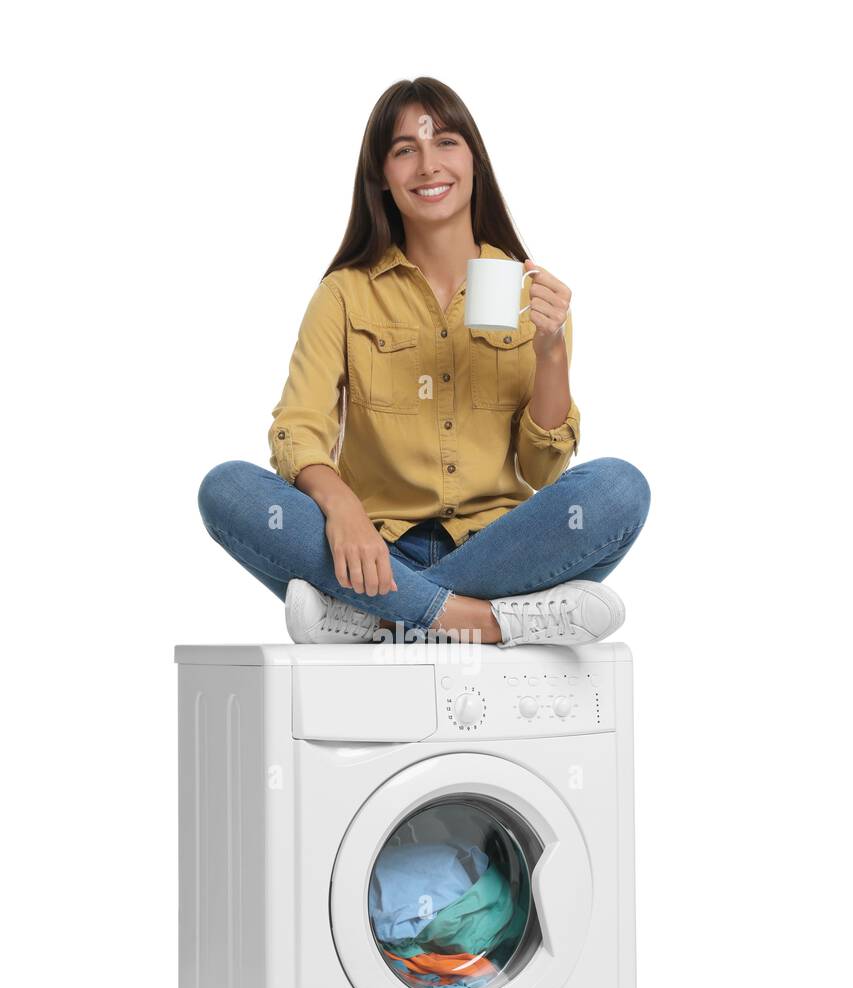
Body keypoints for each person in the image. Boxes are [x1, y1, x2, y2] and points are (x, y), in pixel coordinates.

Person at [198, 77, 651, 647]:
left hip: (501, 546)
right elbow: (298, 428)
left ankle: (378, 620)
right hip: (370, 547)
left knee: (618, 489)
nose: (428, 166)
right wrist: (341, 509)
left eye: (446, 143)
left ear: (474, 160)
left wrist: (551, 350)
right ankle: (488, 624)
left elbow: (541, 473)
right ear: (382, 178)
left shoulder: (525, 291)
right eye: (405, 149)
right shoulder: (344, 293)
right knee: (227, 490)